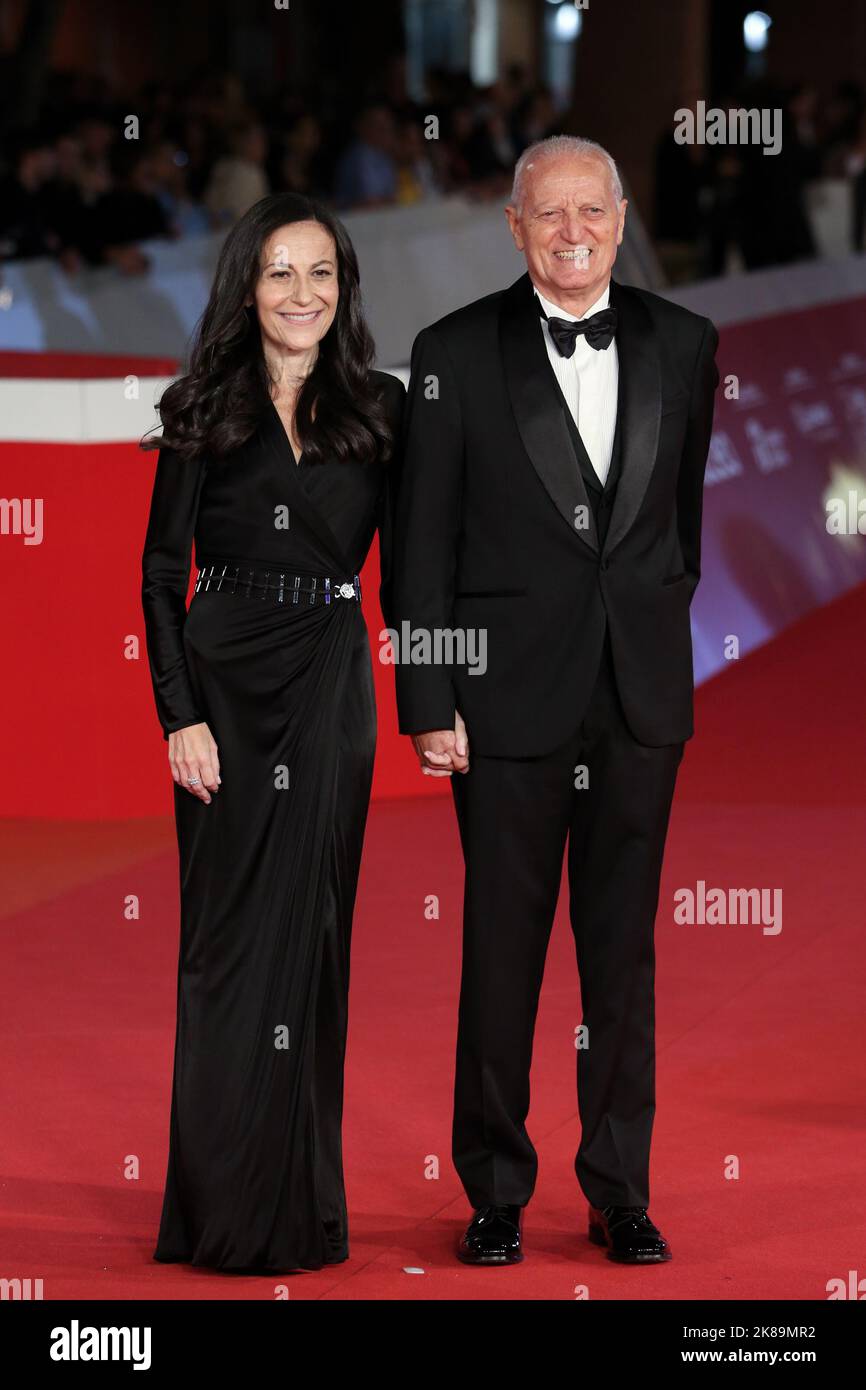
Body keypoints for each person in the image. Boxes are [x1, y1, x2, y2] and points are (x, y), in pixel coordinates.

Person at [392, 135, 718, 1266]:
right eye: (548, 214)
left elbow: (675, 525)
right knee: (500, 952)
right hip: (499, 706)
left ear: (621, 221)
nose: (571, 233)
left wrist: (655, 640)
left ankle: (619, 1188)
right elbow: (417, 545)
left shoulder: (686, 343)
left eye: (591, 212)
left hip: (636, 703)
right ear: (514, 227)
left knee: (620, 959)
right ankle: (491, 1187)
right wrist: (428, 695)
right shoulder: (450, 353)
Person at [141, 192, 404, 1272]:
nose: (302, 294)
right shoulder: (202, 401)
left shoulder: (383, 408)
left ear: (343, 290)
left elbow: (427, 561)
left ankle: (299, 1208)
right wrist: (179, 714)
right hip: (225, 693)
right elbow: (162, 574)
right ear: (246, 285)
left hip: (329, 685)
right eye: (281, 273)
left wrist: (448, 693)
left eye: (322, 275)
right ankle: (215, 1212)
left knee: (313, 945)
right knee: (220, 953)